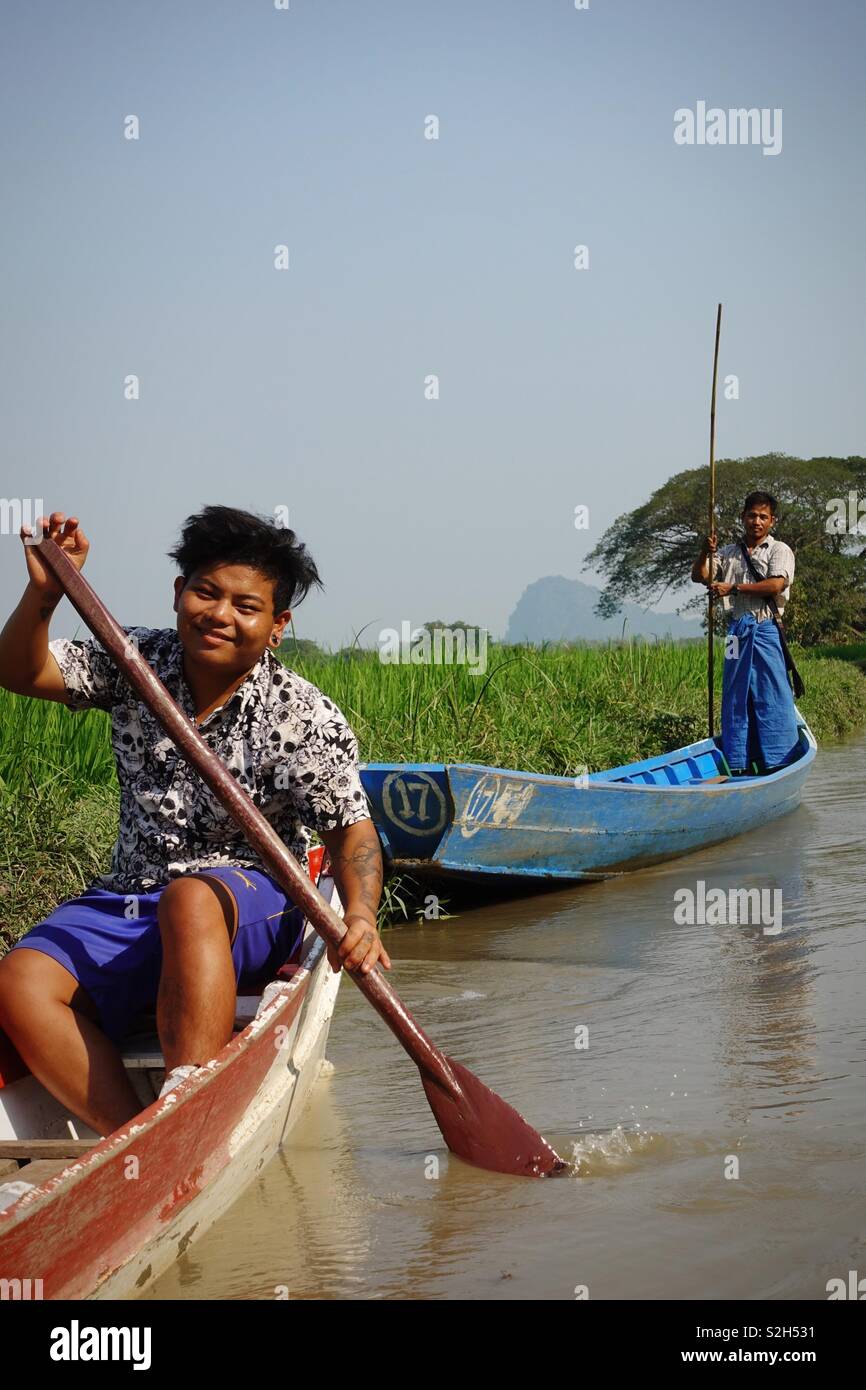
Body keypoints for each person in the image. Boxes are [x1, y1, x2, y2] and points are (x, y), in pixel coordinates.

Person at [0, 505, 390, 1136]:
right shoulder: (132, 660)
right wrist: (44, 595)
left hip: (251, 902)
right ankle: (140, 1140)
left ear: (277, 625)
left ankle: (191, 1095)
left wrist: (363, 918)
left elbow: (351, 831)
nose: (219, 614)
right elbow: (19, 670)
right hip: (131, 897)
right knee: (18, 980)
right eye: (205, 592)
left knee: (189, 899)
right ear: (178, 594)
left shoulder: (301, 716)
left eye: (245, 605)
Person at [692, 491, 800, 775]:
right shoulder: (727, 552)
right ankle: (739, 761)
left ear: (772, 521)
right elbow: (700, 576)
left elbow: (775, 585)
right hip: (735, 634)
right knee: (735, 693)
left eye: (763, 517)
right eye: (752, 515)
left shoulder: (779, 550)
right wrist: (705, 550)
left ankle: (779, 759)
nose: (757, 521)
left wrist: (734, 588)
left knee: (770, 692)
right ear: (743, 517)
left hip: (766, 630)